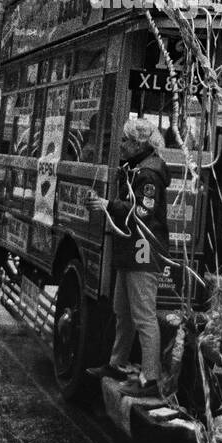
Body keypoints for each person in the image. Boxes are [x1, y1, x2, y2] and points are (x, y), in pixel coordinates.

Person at [87, 115, 171, 398]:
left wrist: (108, 204)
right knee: (122, 311)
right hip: (132, 249)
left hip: (142, 250)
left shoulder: (148, 174)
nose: (120, 145)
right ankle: (117, 363)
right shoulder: (140, 168)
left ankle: (151, 379)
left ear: (137, 143)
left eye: (125, 140)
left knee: (143, 316)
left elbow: (144, 212)